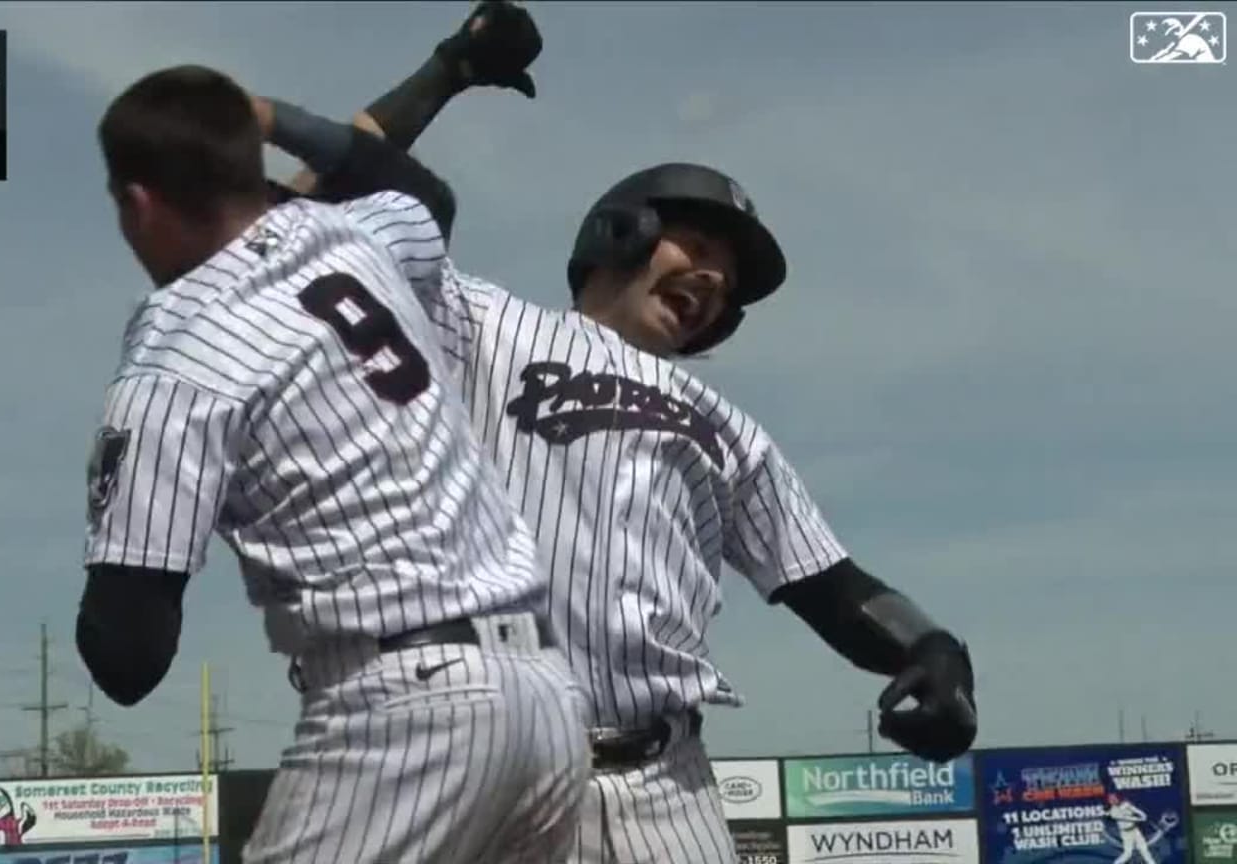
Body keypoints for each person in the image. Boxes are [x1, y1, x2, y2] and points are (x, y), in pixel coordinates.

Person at [299, 3, 980, 861]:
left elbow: (827, 583)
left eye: (727, 285)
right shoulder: (477, 324)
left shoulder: (726, 427)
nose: (711, 279)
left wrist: (930, 645)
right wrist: (448, 72)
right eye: (693, 243)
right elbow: (314, 214)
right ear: (620, 235)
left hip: (669, 786)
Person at [72, 63, 591, 864]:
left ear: (138, 202)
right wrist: (270, 115)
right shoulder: (349, 237)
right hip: (547, 700)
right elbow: (423, 197)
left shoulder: (176, 353)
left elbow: (128, 654)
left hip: (407, 712)